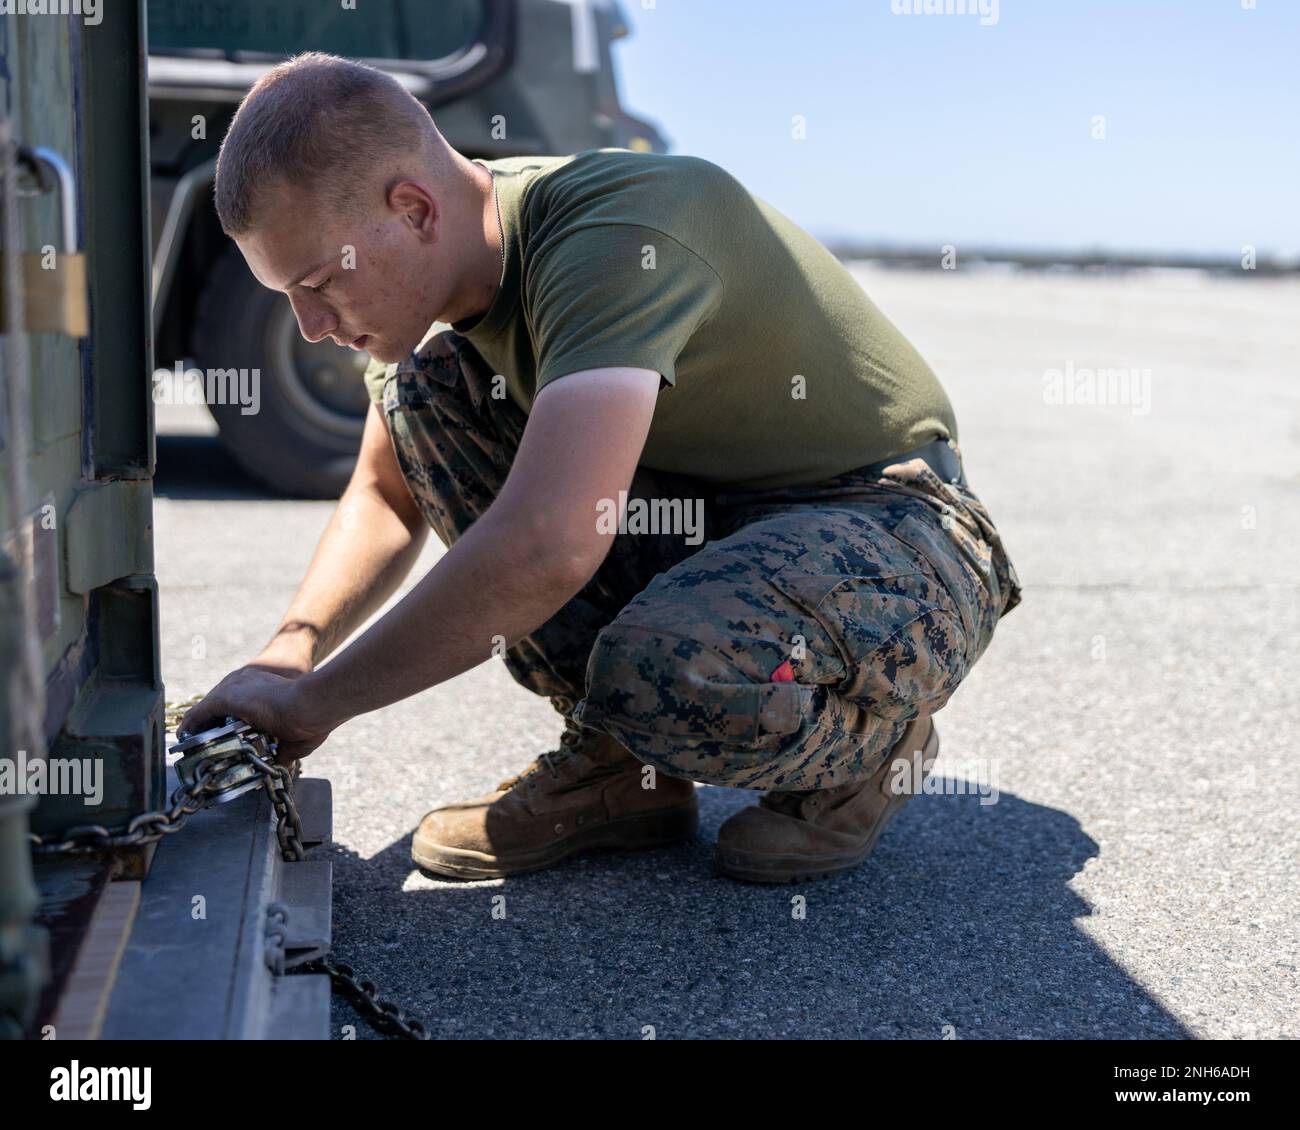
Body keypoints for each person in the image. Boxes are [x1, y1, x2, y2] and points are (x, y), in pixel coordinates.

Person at [181, 52, 1022, 884]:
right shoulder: (429, 293)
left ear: (413, 210)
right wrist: (290, 655)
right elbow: (385, 496)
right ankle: (625, 767)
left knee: (669, 668)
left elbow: (549, 543)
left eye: (322, 281)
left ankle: (867, 755)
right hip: (717, 521)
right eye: (287, 294)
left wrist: (317, 705)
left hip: (894, 525)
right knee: (423, 393)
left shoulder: (618, 233)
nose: (311, 326)